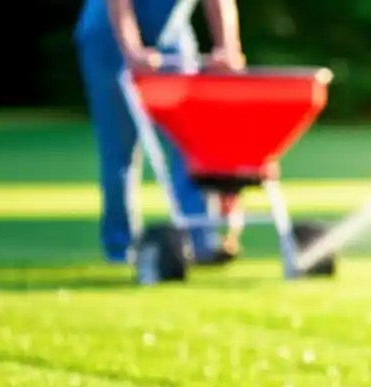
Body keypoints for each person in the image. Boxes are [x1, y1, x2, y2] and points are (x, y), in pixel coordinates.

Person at [74, 0, 246, 264]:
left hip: (171, 37)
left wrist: (228, 48)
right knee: (120, 150)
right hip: (109, 37)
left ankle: (199, 241)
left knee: (190, 144)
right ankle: (123, 247)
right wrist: (133, 51)